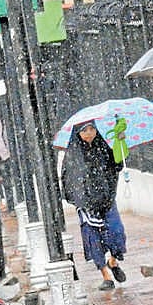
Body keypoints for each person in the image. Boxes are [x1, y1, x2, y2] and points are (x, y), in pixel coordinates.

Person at [60, 120, 127, 291]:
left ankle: (113, 262)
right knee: (94, 239)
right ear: (78, 133)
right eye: (85, 130)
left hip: (107, 200)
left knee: (116, 232)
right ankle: (105, 276)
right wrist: (81, 198)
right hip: (86, 205)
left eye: (92, 129)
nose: (89, 133)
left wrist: (120, 143)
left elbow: (117, 165)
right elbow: (68, 180)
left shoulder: (103, 147)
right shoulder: (73, 154)